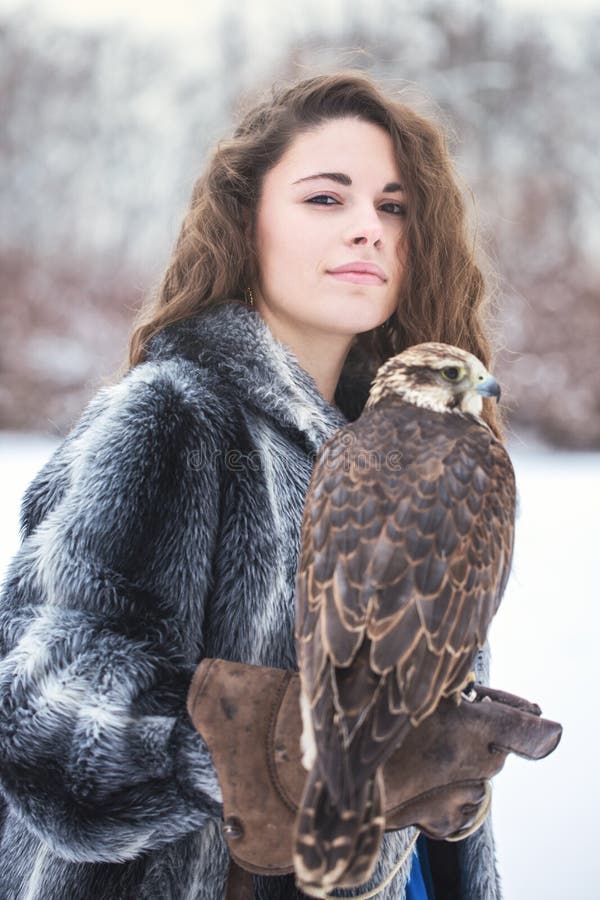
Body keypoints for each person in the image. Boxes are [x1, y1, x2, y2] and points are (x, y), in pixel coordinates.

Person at [0, 71, 505, 899]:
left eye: (393, 206)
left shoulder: (416, 454)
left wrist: (445, 757)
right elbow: (40, 713)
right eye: (324, 200)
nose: (368, 231)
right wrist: (269, 746)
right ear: (248, 222)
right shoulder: (171, 415)